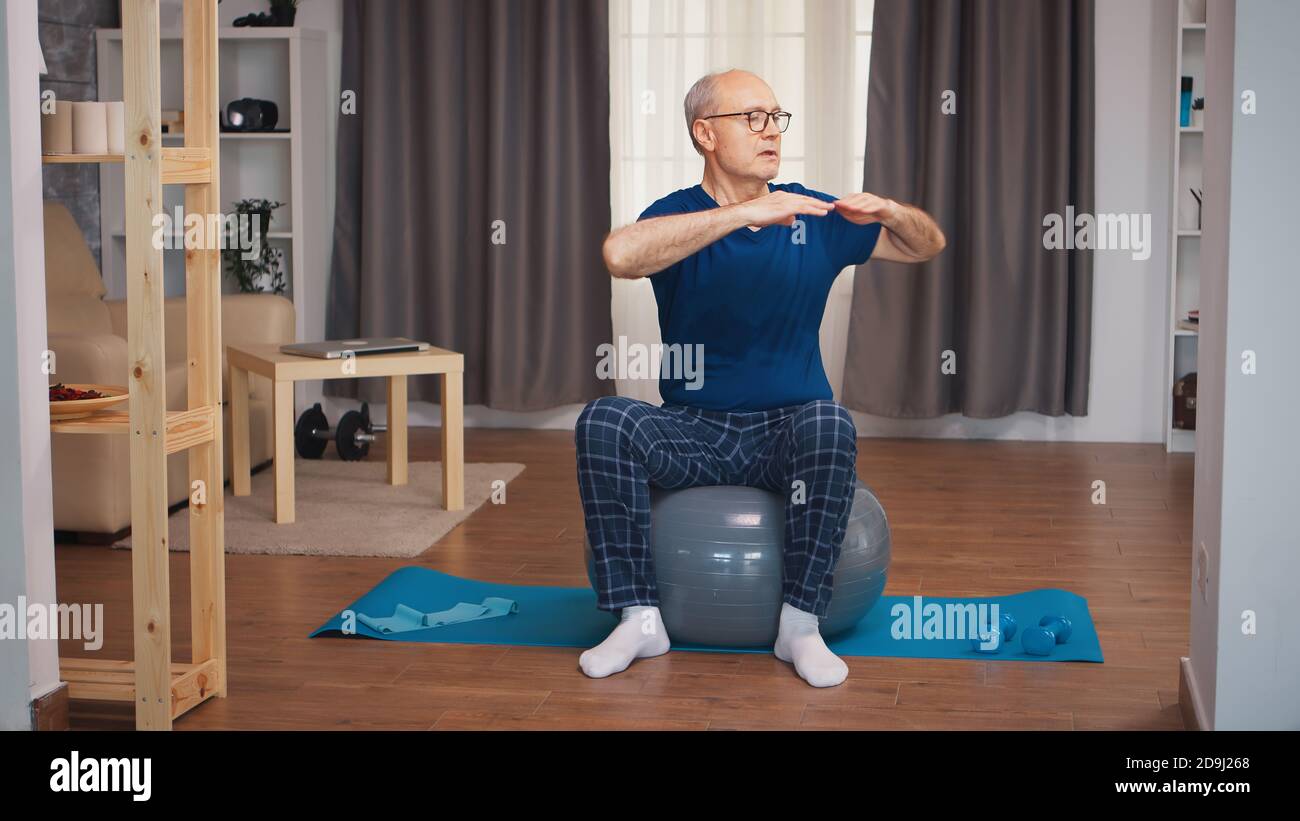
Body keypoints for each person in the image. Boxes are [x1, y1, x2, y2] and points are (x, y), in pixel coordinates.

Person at [576, 69, 945, 687]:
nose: (772, 130)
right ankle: (640, 619)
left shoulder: (811, 212)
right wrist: (745, 213)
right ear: (705, 134)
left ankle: (800, 627)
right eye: (753, 117)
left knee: (831, 420)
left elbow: (923, 246)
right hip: (693, 430)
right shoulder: (677, 216)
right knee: (604, 419)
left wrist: (891, 210)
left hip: (788, 433)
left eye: (777, 117)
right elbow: (620, 255)